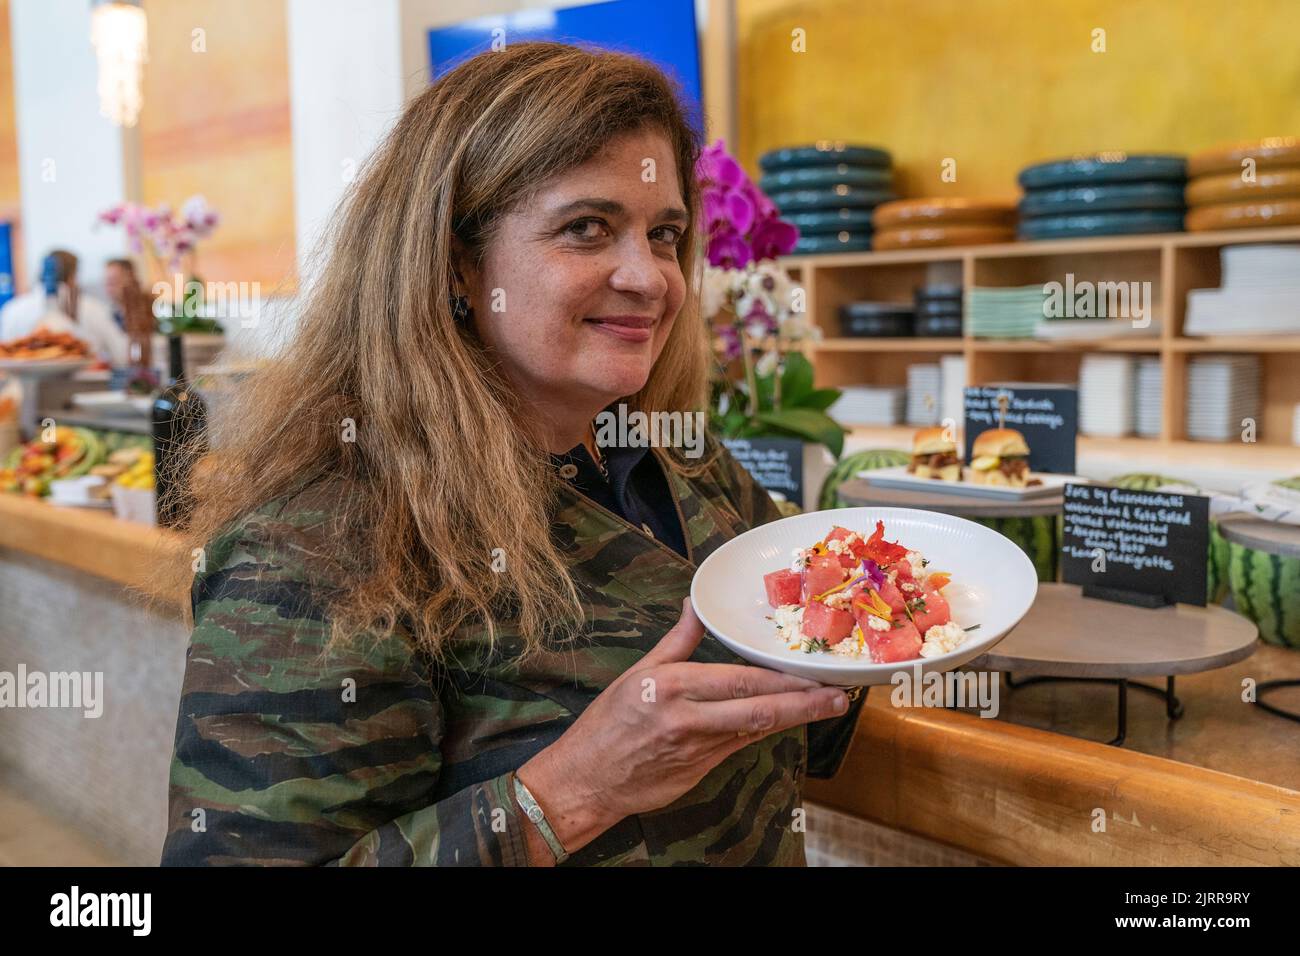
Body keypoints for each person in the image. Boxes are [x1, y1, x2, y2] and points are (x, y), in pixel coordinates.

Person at [160, 42, 868, 868]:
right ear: (458, 261)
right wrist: (571, 792)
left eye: (665, 234)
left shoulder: (683, 464)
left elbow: (796, 696)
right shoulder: (320, 543)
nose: (649, 278)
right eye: (587, 229)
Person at [0, 249, 129, 364]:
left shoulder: (11, 309)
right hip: (79, 387)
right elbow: (121, 355)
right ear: (72, 276)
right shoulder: (93, 309)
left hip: (19, 388)